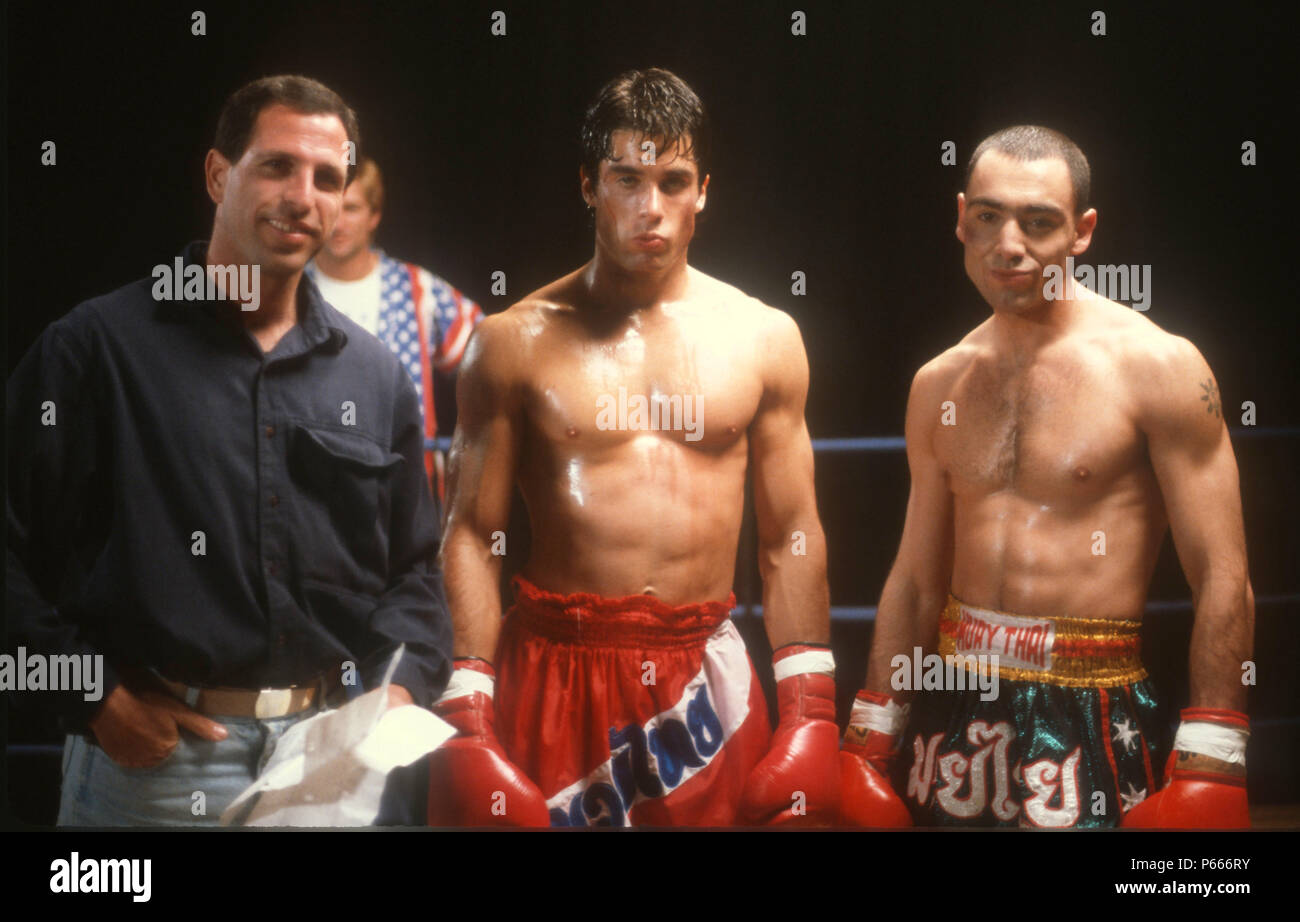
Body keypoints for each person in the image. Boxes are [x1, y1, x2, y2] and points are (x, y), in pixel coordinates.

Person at [6, 75, 452, 826]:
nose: (303, 195)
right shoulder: (96, 350)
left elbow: (413, 570)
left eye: (328, 178)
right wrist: (97, 700)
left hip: (326, 766)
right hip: (151, 769)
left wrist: (395, 694)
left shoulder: (374, 377)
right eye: (276, 165)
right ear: (219, 175)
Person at [428, 68, 839, 827]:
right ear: (589, 184)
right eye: (627, 178)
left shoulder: (764, 338)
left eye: (673, 180)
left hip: (703, 679)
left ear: (704, 190)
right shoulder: (512, 342)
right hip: (553, 668)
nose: (651, 208)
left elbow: (791, 533)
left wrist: (811, 707)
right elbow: (471, 534)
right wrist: (467, 704)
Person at [837, 125, 1254, 828]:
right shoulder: (938, 382)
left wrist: (1216, 755)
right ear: (961, 215)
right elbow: (915, 578)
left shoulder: (1159, 367)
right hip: (954, 705)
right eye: (989, 217)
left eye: (1038, 223)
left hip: (1092, 710)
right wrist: (872, 730)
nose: (1009, 245)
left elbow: (1222, 573)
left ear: (1082, 232)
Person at [306, 157, 484, 501]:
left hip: (401, 493)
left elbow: (491, 358)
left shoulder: (419, 290)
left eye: (353, 208)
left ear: (374, 216)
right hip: (308, 489)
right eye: (333, 207)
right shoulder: (289, 290)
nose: (340, 222)